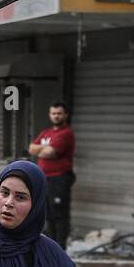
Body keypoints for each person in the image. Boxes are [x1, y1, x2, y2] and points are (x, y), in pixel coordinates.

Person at [27, 101, 76, 249]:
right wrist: (45, 148)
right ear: (50, 115)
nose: (56, 116)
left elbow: (50, 152)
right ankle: (51, 246)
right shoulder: (46, 133)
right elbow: (31, 149)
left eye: (59, 113)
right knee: (48, 214)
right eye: (53, 113)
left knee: (59, 213)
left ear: (65, 115)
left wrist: (43, 149)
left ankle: (61, 248)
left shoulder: (66, 133)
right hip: (44, 179)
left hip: (59, 178)